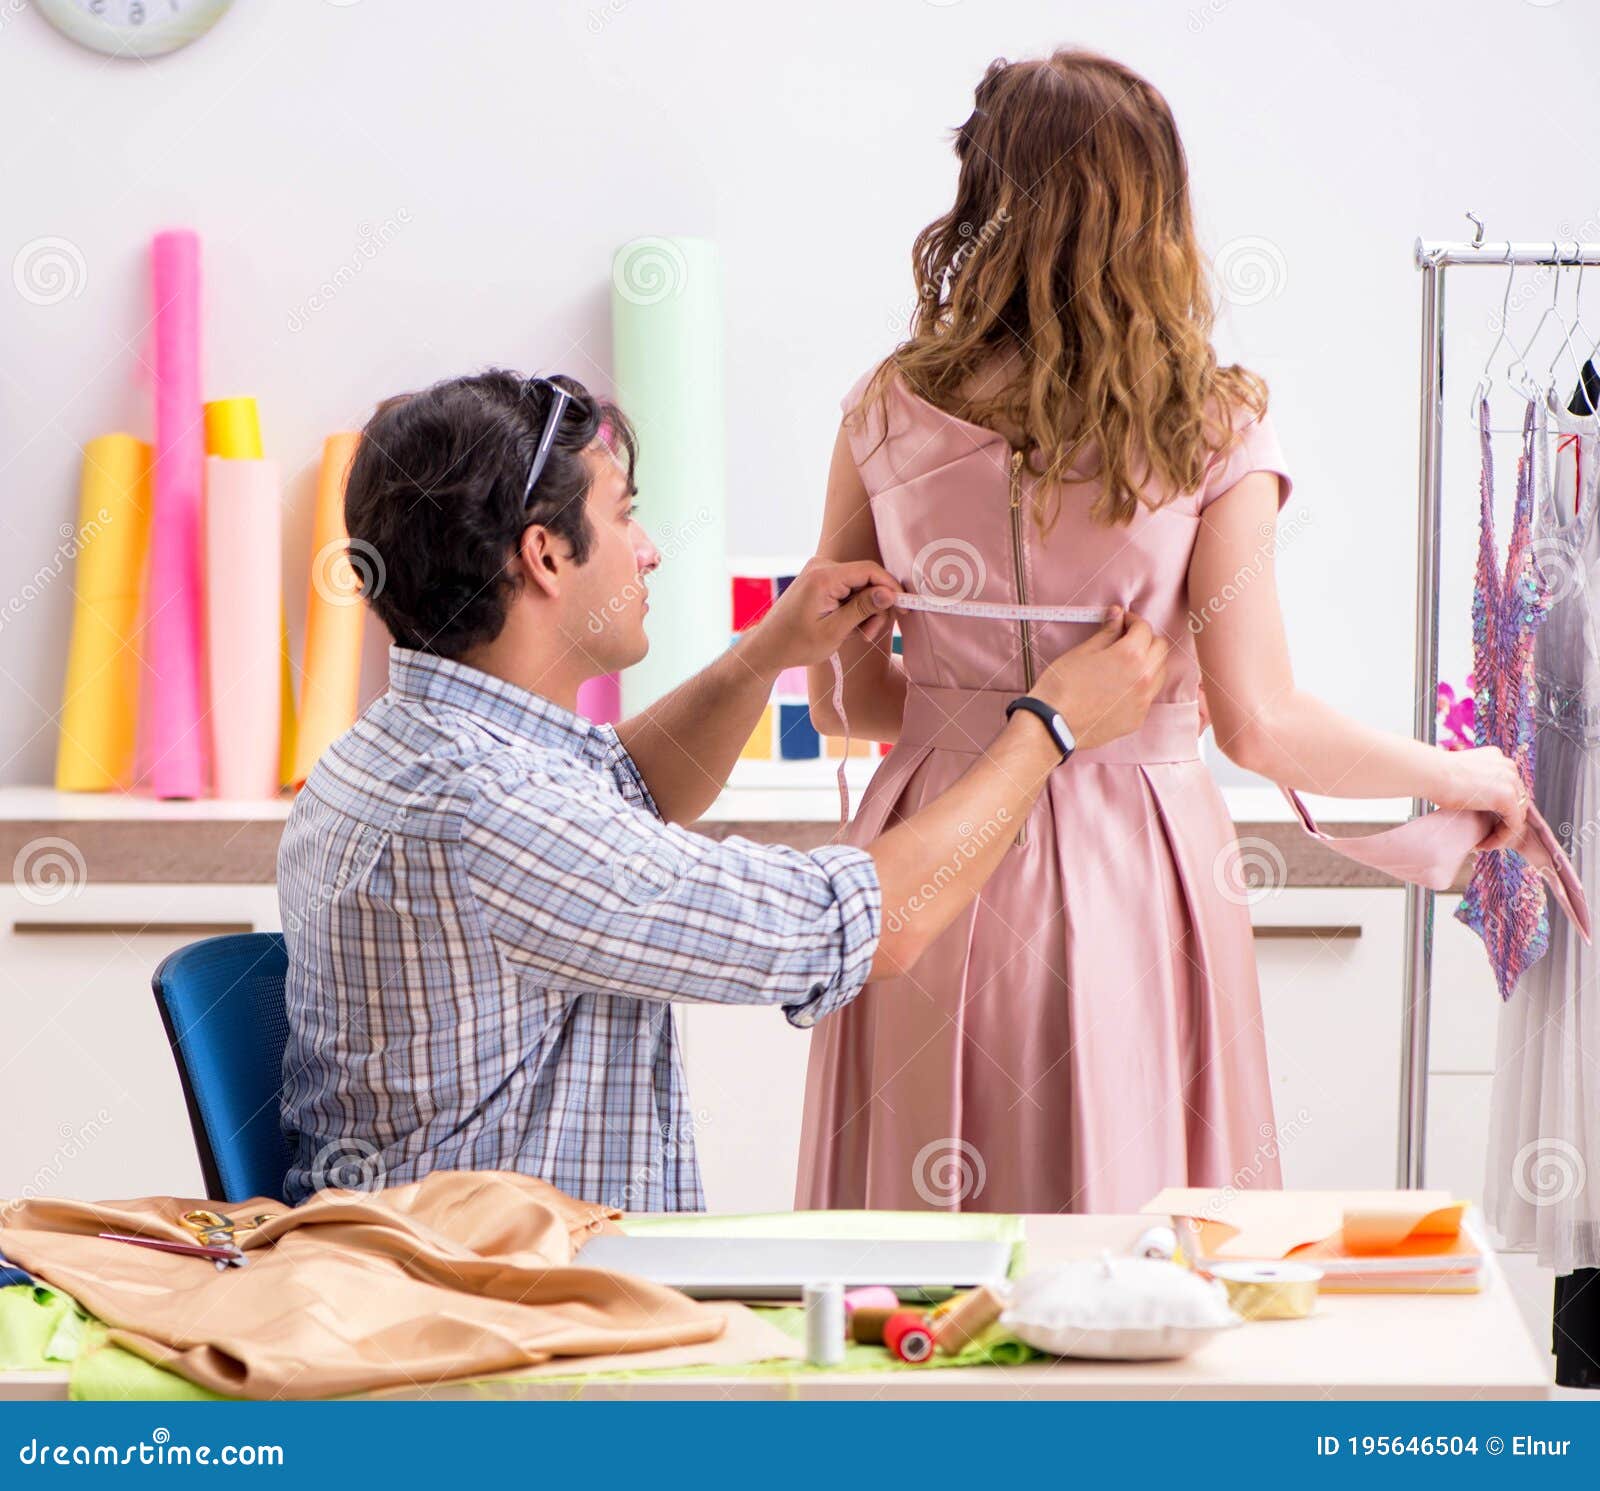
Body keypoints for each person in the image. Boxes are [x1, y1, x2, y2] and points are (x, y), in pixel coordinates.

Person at [795, 48, 1528, 1214]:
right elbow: (1260, 721)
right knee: (1137, 1233)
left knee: (917, 1252)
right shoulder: (1211, 421)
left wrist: (953, 705)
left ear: (979, 195)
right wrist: (1459, 770)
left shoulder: (884, 406)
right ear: (1154, 209)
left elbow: (845, 702)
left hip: (922, 858)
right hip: (1131, 864)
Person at [275, 368, 1168, 1208]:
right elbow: (854, 925)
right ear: (544, 556)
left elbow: (625, 785)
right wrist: (1047, 727)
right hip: (507, 1311)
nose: (650, 552)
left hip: (432, 1271)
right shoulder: (489, 811)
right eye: (625, 518)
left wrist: (767, 650)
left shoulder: (402, 750)